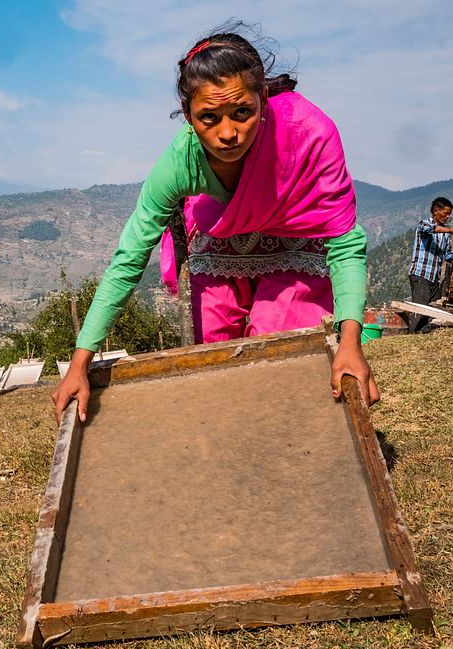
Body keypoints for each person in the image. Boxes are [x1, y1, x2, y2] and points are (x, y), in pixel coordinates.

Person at [52, 23, 378, 424]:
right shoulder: (180, 161)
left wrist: (350, 343)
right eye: (209, 117)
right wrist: (80, 362)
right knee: (213, 359)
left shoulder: (310, 134)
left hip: (296, 242)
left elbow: (344, 240)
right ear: (188, 115)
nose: (228, 134)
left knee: (285, 350)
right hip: (221, 241)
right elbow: (130, 257)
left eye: (242, 112)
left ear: (263, 98)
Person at [407, 197, 453, 333]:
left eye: (449, 214)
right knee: (420, 309)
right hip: (420, 275)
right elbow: (430, 229)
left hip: (434, 278)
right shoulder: (424, 224)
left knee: (432, 312)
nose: (447, 217)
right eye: (445, 213)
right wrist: (450, 230)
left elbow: (448, 252)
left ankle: (422, 337)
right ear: (436, 211)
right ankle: (412, 336)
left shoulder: (445, 234)